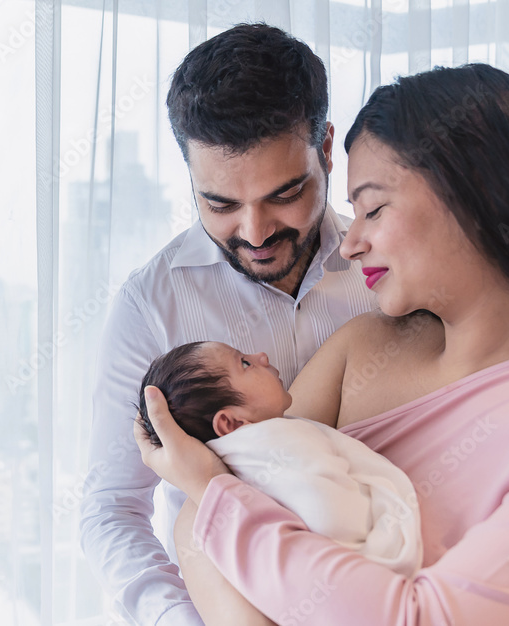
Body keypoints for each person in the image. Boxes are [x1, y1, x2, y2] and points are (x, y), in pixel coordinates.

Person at [136, 63, 509, 625]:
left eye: (374, 208)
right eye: (354, 213)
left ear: (477, 195)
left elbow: (420, 619)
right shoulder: (359, 349)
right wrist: (212, 496)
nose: (351, 242)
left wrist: (216, 498)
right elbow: (200, 520)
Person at [78, 24, 375, 626]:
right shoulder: (150, 302)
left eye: (284, 194)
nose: (256, 231)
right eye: (219, 204)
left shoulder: (390, 270)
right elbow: (113, 507)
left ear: (325, 147)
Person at [135, 340, 423, 581]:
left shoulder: (255, 449)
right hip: (361, 572)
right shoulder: (275, 445)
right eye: (245, 363)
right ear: (232, 422)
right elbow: (334, 516)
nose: (262, 356)